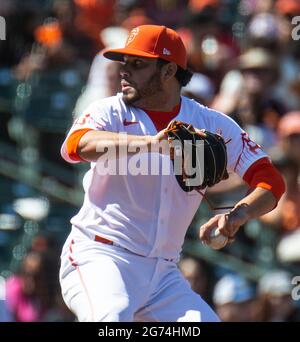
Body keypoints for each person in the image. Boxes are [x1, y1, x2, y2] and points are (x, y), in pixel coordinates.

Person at [59, 25, 285, 322]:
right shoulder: (110, 112)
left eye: (138, 64)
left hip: (162, 275)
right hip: (100, 257)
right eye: (124, 63)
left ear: (168, 71)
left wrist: (237, 216)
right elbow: (77, 145)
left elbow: (271, 181)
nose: (125, 71)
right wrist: (151, 144)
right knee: (110, 321)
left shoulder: (209, 124)